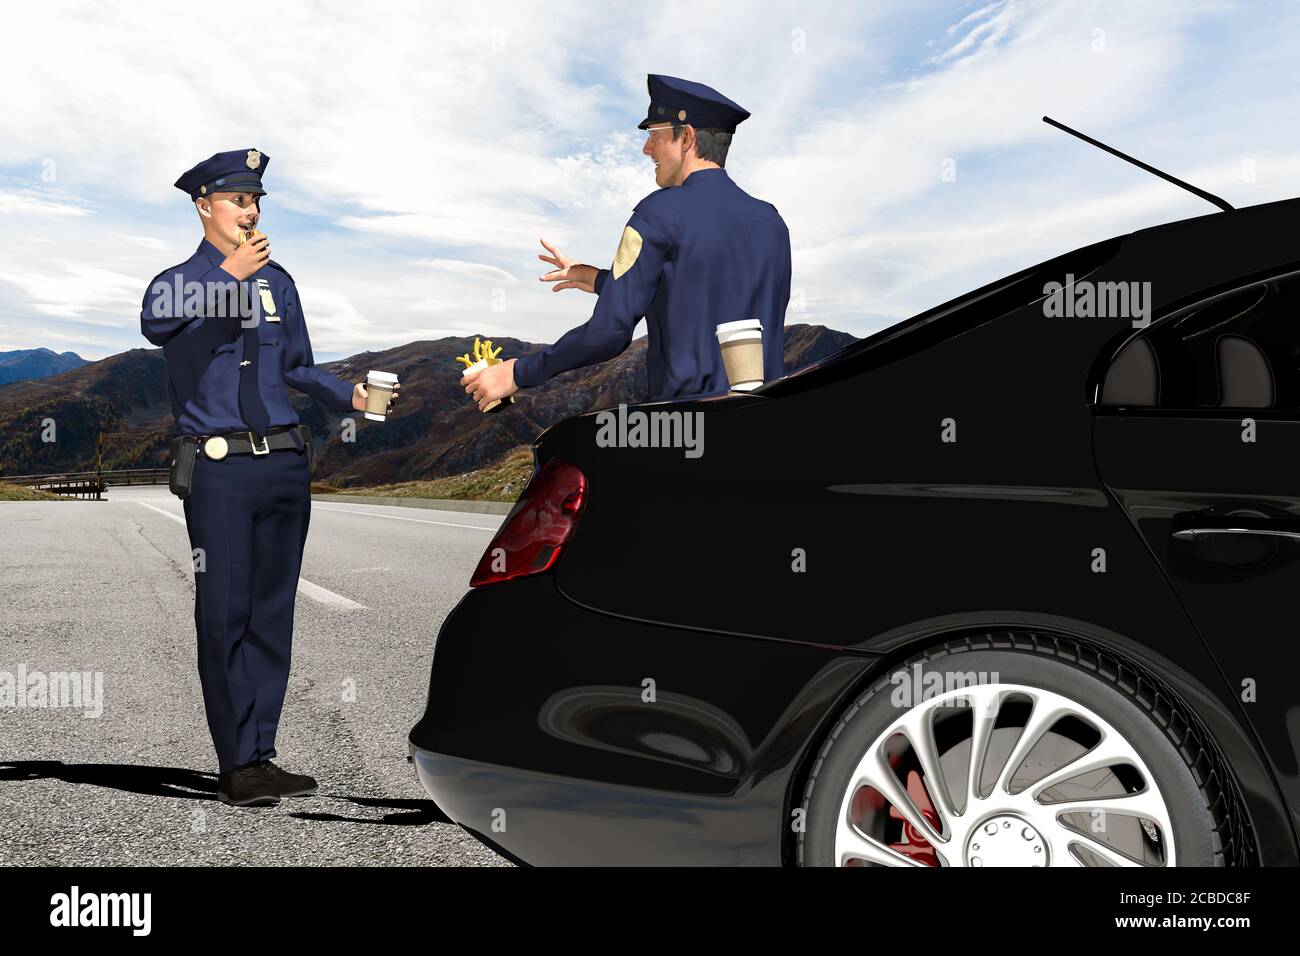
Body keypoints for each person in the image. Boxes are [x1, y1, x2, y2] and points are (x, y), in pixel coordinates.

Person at [139, 149, 399, 806]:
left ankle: (261, 752)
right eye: (236, 201)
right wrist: (229, 274)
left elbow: (300, 366)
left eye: (255, 201)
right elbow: (155, 325)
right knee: (225, 614)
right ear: (204, 207)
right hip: (221, 468)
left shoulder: (278, 281)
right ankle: (235, 764)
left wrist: (354, 398)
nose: (250, 211)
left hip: (284, 462)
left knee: (271, 616)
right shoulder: (177, 281)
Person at [462, 74, 791, 410]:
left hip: (687, 433)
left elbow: (608, 335)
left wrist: (518, 372)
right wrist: (601, 280)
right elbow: (702, 292)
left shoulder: (658, 213)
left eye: (654, 136)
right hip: (763, 426)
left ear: (687, 137)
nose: (647, 149)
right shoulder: (772, 222)